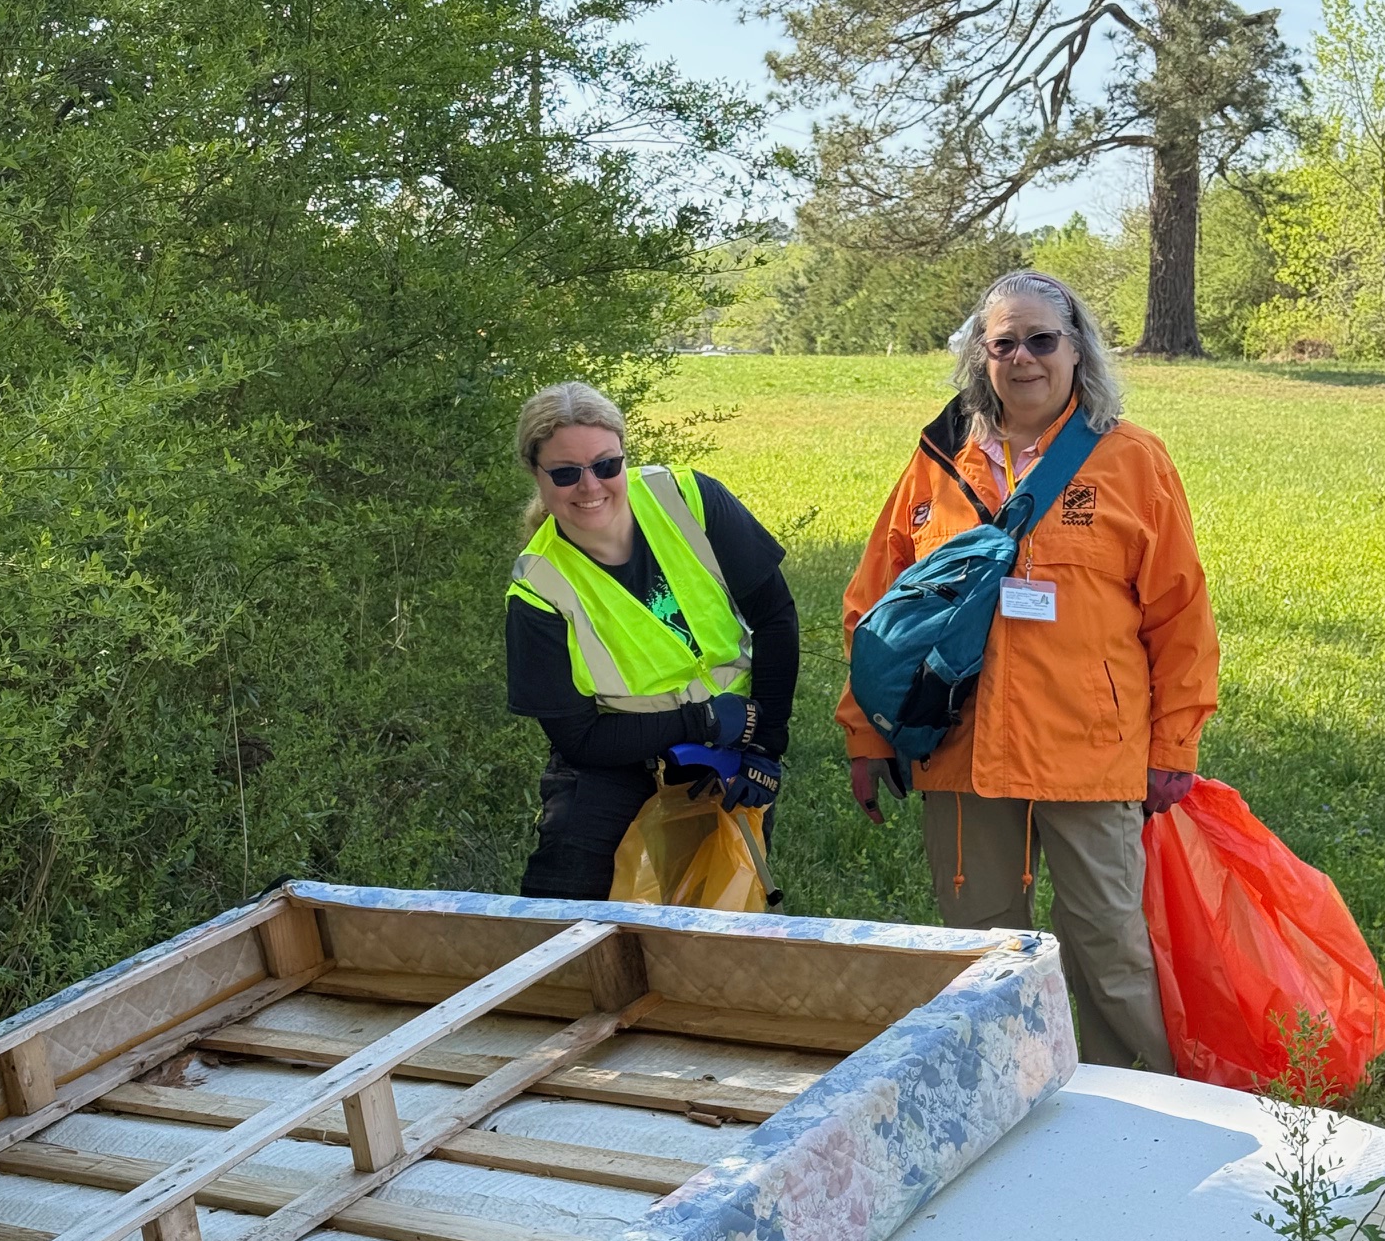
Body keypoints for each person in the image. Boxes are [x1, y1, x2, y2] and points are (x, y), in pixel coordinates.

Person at [837, 271, 1219, 1071]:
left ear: (1076, 349)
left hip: (1091, 752)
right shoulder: (938, 461)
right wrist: (868, 736)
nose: (1023, 358)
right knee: (982, 957)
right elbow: (876, 610)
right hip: (962, 748)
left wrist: (1173, 746)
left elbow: (1181, 616)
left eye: (1041, 339)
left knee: (1110, 953)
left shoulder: (1133, 460)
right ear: (981, 355)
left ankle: (1134, 1113)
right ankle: (1003, 1096)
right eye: (1004, 342)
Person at [506, 381, 799, 901]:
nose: (590, 486)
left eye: (606, 465)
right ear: (536, 474)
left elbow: (775, 617)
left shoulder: (688, 499)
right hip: (614, 763)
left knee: (715, 922)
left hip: (735, 745)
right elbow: (579, 739)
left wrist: (765, 747)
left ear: (625, 455)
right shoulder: (537, 587)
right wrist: (703, 722)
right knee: (561, 916)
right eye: (566, 473)